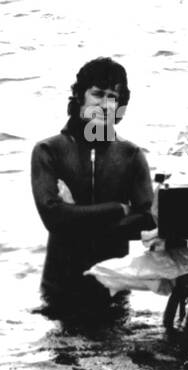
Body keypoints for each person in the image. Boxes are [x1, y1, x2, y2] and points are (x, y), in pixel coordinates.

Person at [30, 57, 155, 313]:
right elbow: (53, 218)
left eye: (112, 97)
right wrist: (119, 209)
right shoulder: (49, 151)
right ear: (79, 96)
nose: (104, 104)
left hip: (114, 285)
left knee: (115, 351)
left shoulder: (131, 155)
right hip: (60, 285)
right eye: (97, 94)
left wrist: (75, 218)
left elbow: (148, 221)